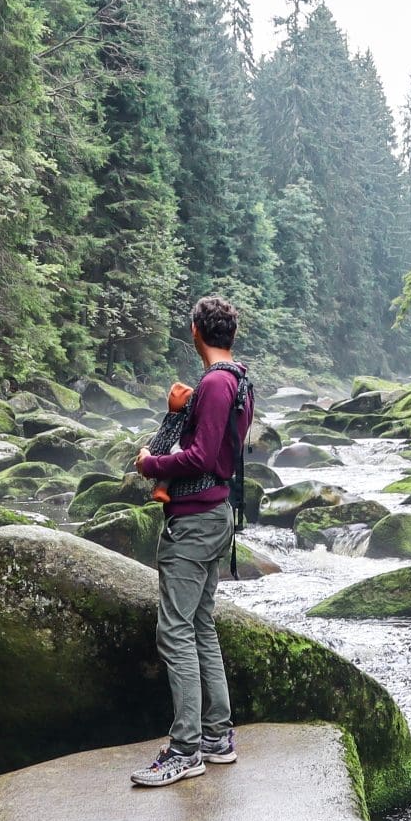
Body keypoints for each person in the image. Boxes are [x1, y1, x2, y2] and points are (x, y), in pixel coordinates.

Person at [128, 294, 255, 788]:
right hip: (216, 515)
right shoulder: (239, 380)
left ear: (195, 330)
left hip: (196, 520)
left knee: (175, 630)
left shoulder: (217, 383)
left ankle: (186, 749)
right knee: (201, 625)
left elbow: (201, 455)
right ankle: (217, 737)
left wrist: (150, 465)